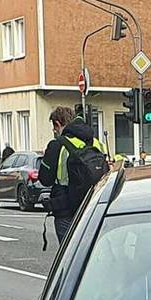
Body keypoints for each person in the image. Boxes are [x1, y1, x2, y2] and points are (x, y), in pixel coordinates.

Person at [42, 105, 104, 247]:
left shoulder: (57, 145)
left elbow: (45, 179)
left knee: (69, 254)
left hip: (66, 210)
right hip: (92, 207)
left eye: (54, 128)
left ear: (58, 124)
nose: (54, 131)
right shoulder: (96, 143)